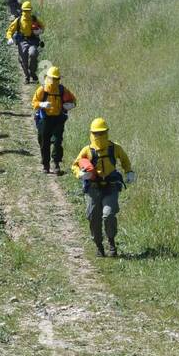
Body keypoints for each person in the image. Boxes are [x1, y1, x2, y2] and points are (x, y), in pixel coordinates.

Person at [71, 118, 134, 257]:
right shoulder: (87, 150)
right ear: (91, 133)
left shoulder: (115, 147)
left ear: (107, 132)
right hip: (93, 189)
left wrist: (129, 171)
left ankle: (111, 243)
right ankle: (99, 246)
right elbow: (75, 164)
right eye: (96, 133)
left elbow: (124, 160)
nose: (99, 136)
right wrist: (80, 174)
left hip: (111, 188)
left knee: (108, 215)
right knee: (93, 217)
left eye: (102, 133)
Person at [31, 66, 76, 173]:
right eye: (52, 78)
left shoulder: (62, 90)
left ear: (59, 79)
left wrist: (70, 105)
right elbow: (34, 103)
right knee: (44, 141)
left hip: (58, 118)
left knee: (57, 141)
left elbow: (73, 100)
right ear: (47, 77)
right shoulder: (42, 89)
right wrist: (41, 104)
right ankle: (46, 165)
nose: (54, 81)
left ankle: (56, 163)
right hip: (45, 118)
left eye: (56, 79)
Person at [5, 1, 44, 82]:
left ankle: (33, 73)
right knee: (23, 60)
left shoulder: (34, 19)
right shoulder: (18, 20)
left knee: (33, 54)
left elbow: (42, 26)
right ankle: (27, 76)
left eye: (28, 10)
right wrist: (9, 38)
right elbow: (10, 30)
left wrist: (39, 31)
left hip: (33, 40)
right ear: (22, 10)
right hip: (22, 41)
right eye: (25, 10)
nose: (26, 12)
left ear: (31, 10)